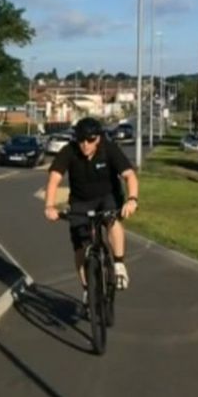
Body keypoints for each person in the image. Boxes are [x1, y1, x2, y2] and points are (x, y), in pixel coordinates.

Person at [43, 117, 139, 301]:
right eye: (81, 140)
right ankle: (87, 289)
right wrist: (49, 205)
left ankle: (119, 264)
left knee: (112, 220)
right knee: (80, 246)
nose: (85, 145)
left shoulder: (109, 148)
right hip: (80, 201)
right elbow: (54, 179)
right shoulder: (69, 151)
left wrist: (132, 199)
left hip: (107, 197)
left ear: (98, 138)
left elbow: (129, 175)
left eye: (90, 140)